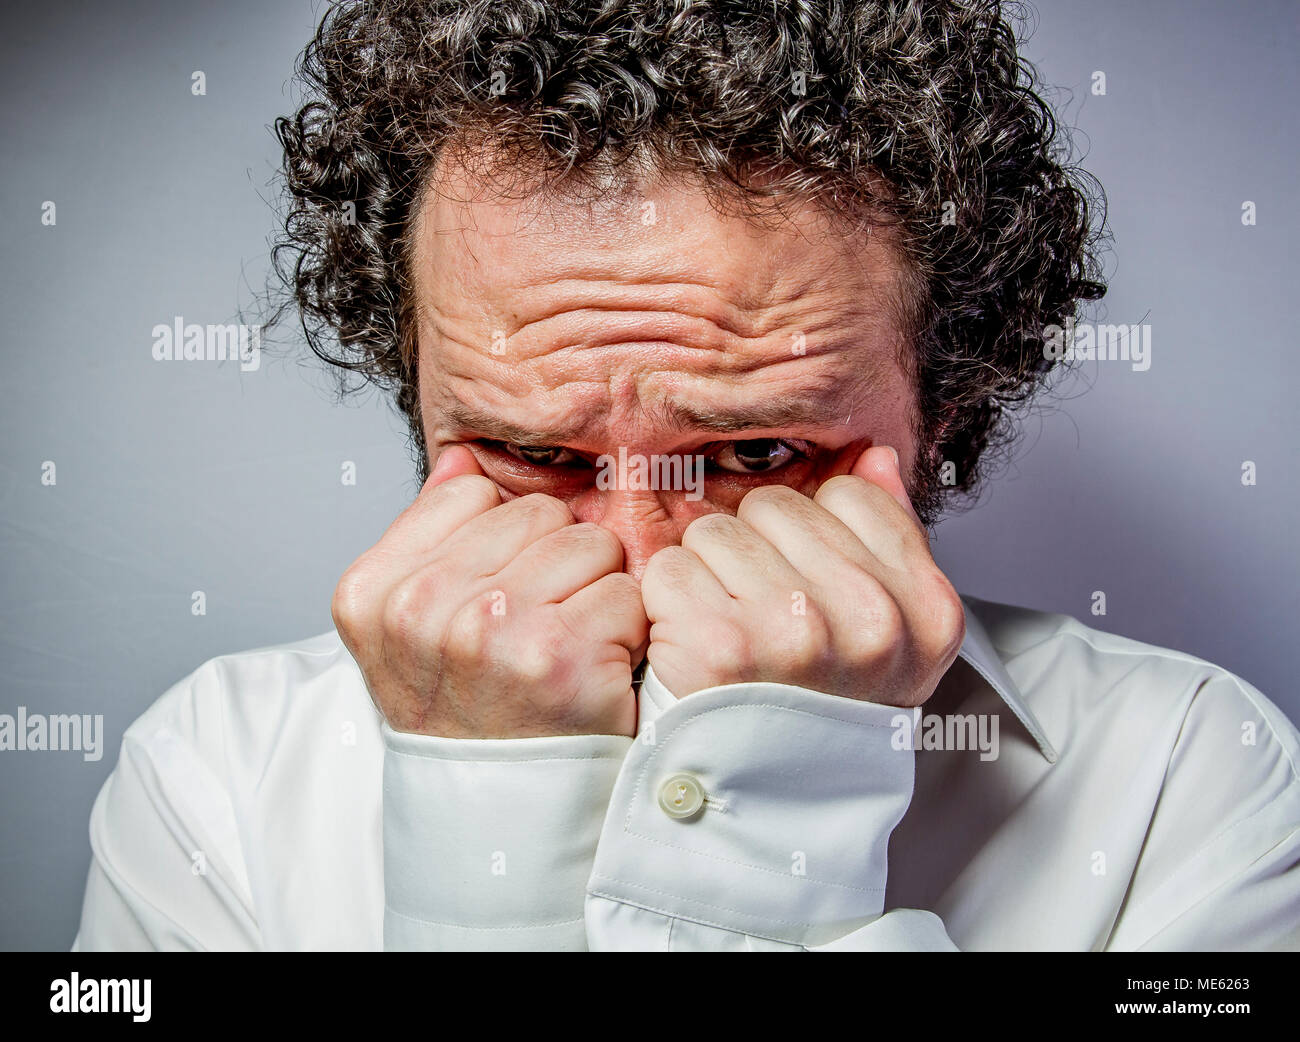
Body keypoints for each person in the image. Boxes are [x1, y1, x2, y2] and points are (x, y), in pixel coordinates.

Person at [72, 0, 1300, 951]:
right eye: (538, 455)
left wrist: (780, 800)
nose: (645, 558)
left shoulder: (1188, 773)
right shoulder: (216, 772)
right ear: (420, 394)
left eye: (757, 453)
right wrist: (479, 820)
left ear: (947, 403)